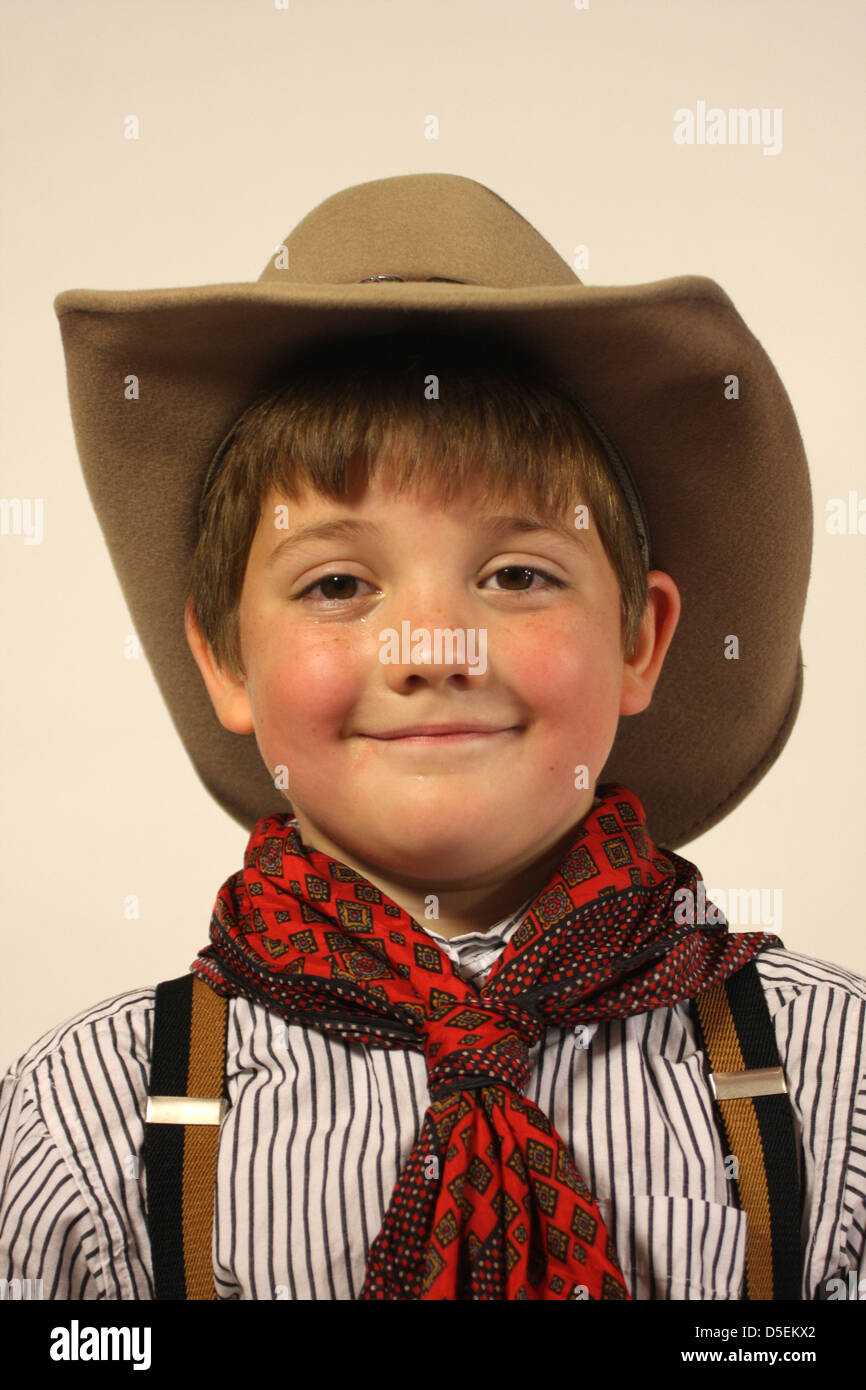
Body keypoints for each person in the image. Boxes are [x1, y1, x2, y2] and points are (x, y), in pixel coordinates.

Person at [1, 174, 864, 1301]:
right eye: (338, 582)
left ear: (640, 640)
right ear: (223, 659)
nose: (430, 643)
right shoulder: (92, 1119)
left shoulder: (830, 1087)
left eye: (515, 573)